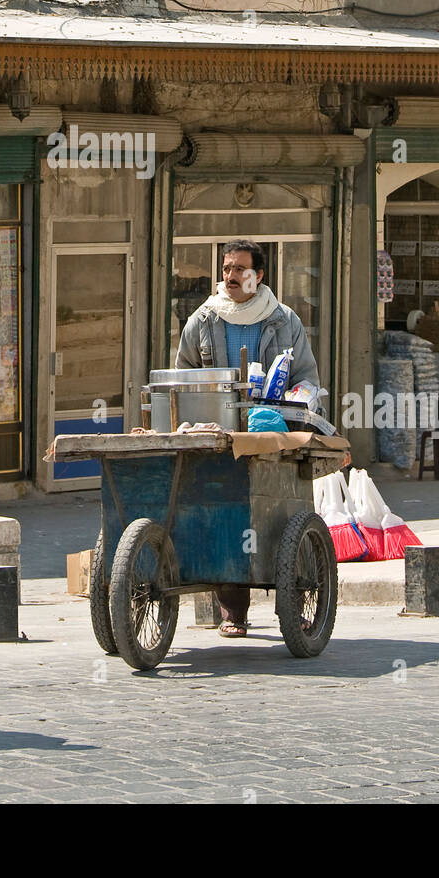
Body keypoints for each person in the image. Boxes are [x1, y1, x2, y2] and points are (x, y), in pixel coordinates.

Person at [175, 239, 319, 638]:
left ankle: (294, 609)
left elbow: (307, 377)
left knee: (280, 517)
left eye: (240, 269)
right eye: (226, 269)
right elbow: (183, 375)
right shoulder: (203, 319)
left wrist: (296, 403)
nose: (231, 276)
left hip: (271, 435)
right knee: (227, 515)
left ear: (259, 275)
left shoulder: (284, 320)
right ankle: (232, 612)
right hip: (218, 436)